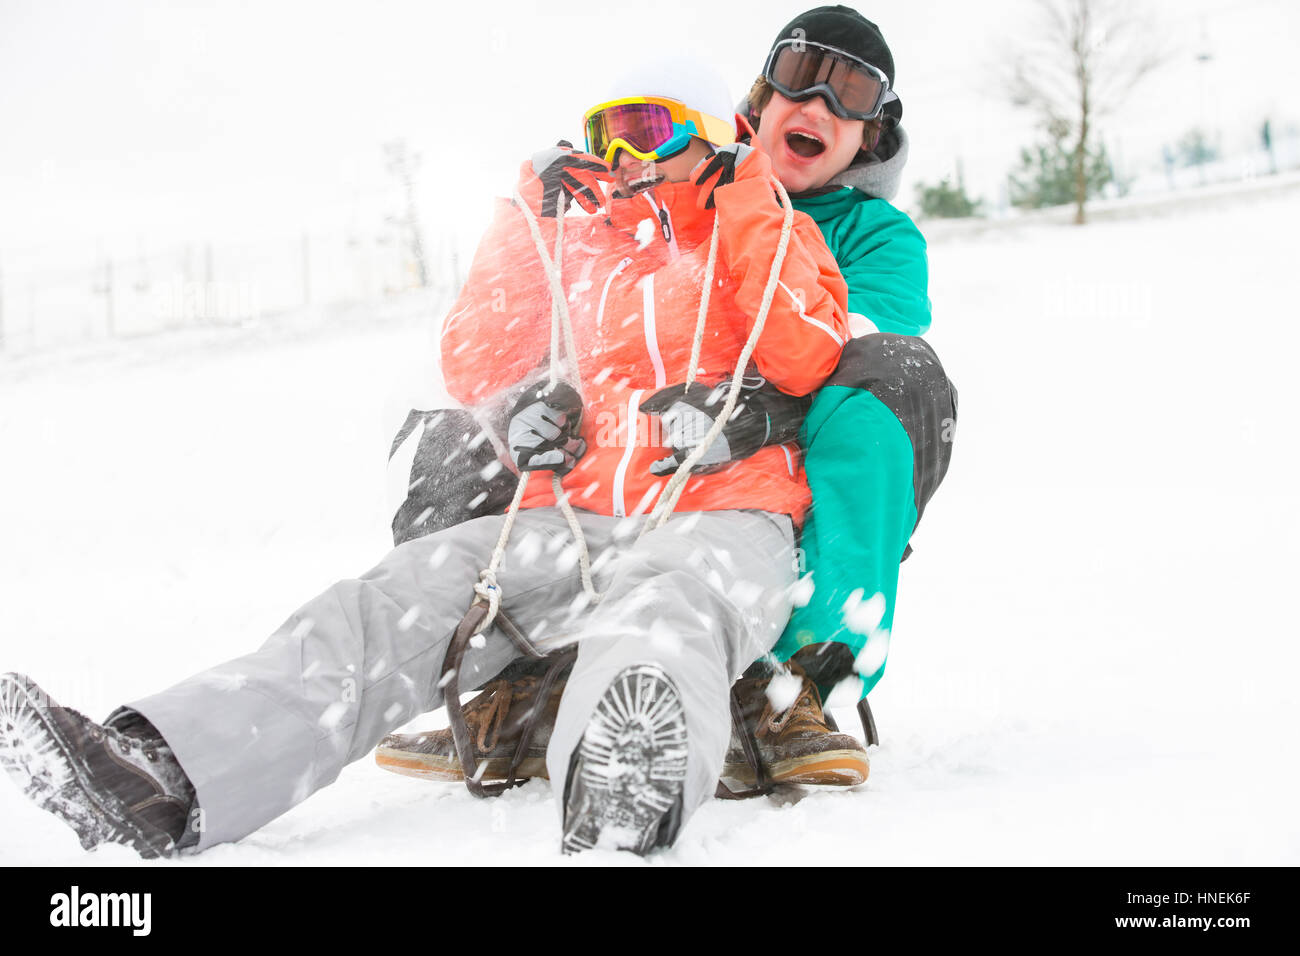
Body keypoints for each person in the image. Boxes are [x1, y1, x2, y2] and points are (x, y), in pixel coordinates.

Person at [0, 61, 851, 857]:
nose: (626, 156)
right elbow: (476, 362)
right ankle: (168, 772)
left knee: (665, 616)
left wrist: (745, 194)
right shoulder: (583, 252)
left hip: (725, 513)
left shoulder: (765, 228)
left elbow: (805, 352)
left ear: (712, 140)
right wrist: (529, 219)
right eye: (606, 137)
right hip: (581, 516)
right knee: (404, 594)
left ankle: (624, 791)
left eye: (650, 130)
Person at [377, 6, 957, 796]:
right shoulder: (674, 189)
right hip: (634, 471)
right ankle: (528, 681)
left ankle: (788, 688)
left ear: (871, 137)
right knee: (476, 428)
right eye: (797, 78)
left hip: (759, 483)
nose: (816, 106)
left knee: (887, 382)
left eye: (848, 95)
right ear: (756, 103)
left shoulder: (871, 235)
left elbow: (857, 339)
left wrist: (762, 407)